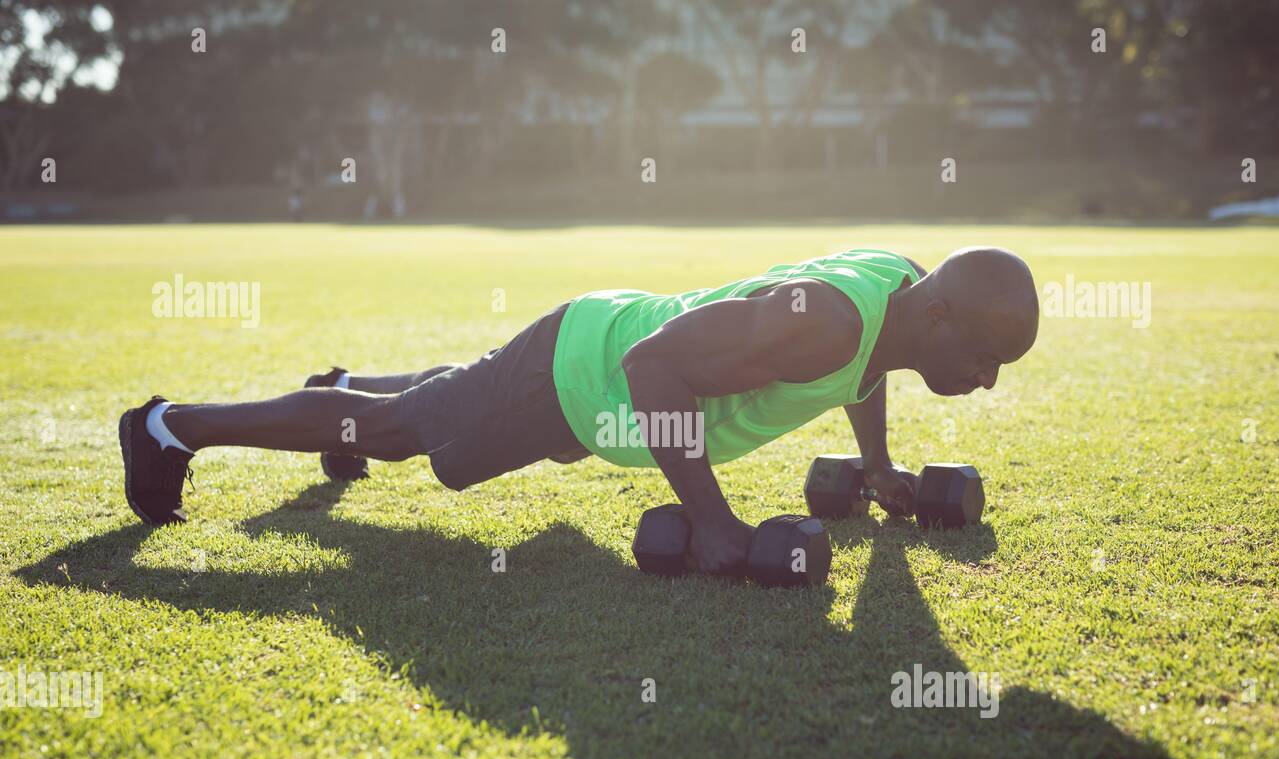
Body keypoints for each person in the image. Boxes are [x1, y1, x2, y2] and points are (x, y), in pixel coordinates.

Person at [119, 246, 1039, 576]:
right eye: (989, 359)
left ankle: (352, 384)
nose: (990, 382)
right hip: (588, 369)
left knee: (451, 404)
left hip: (594, 368)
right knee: (407, 435)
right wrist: (713, 521)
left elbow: (866, 373)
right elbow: (652, 369)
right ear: (942, 316)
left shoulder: (894, 297)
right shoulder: (834, 323)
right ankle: (172, 425)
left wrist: (876, 468)